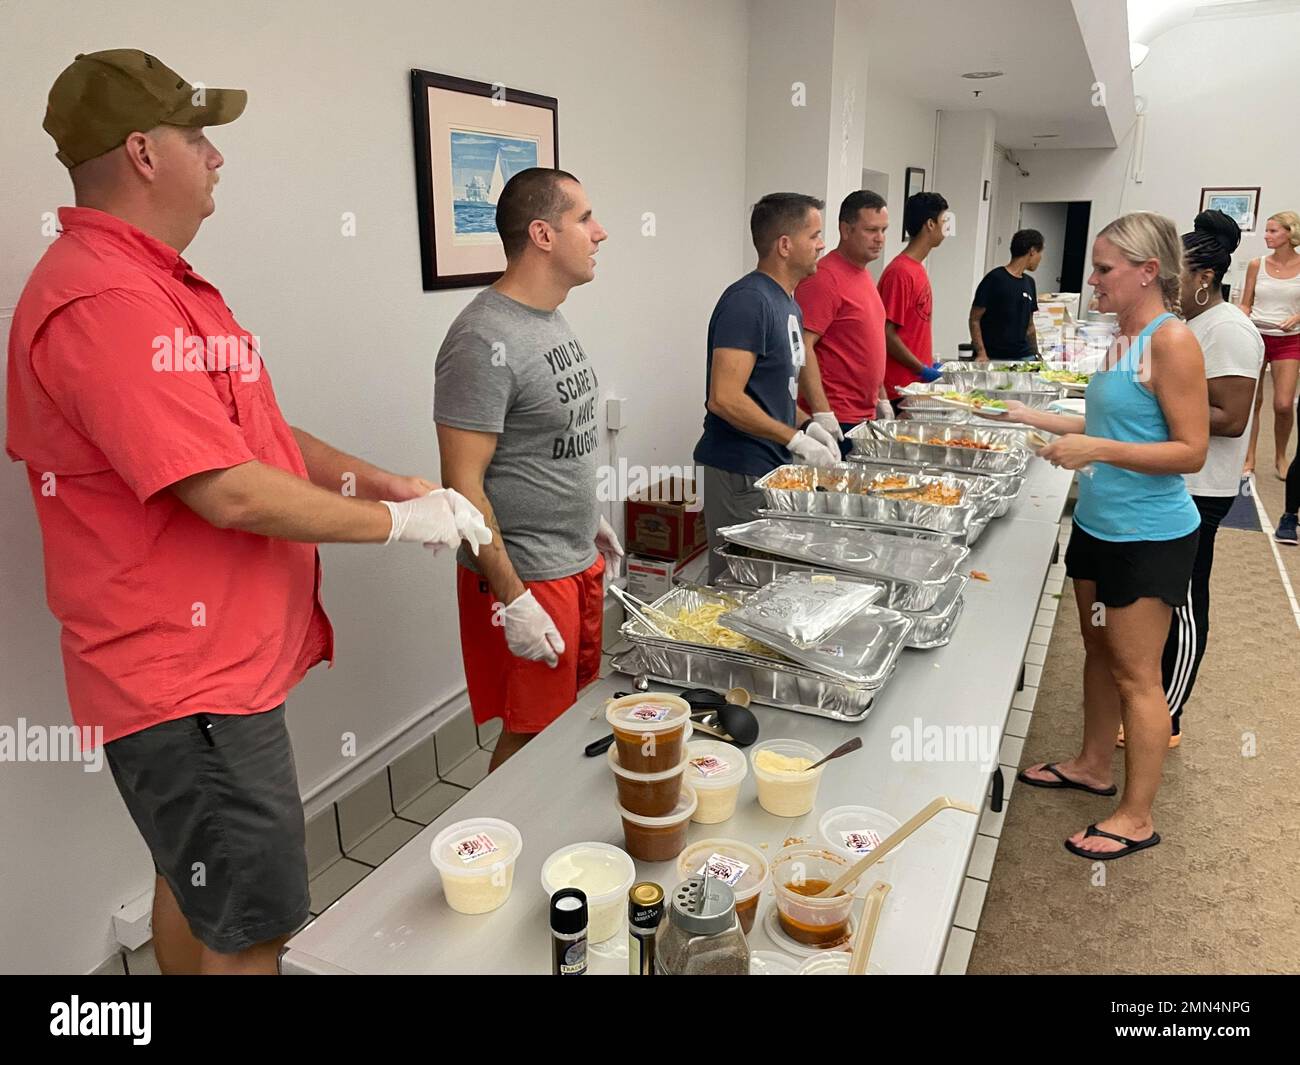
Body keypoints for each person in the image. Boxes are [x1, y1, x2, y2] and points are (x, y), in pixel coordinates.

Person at [5, 50, 490, 975]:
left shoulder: (158, 281)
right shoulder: (104, 299)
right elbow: (223, 488)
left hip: (208, 679)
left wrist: (389, 486)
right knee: (255, 927)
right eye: (198, 138)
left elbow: (254, 436)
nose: (215, 158)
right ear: (144, 154)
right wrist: (401, 529)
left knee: (196, 882)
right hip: (188, 690)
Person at [1009, 212, 1208, 861]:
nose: (1090, 279)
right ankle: (1094, 765)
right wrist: (1019, 414)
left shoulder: (1172, 340)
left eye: (1103, 268)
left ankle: (1136, 814)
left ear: (1148, 271)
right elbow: (1102, 418)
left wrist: (1097, 447)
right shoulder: (1122, 337)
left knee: (1136, 673)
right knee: (1097, 649)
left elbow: (1191, 451)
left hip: (1147, 536)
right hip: (1097, 523)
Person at [435, 168, 622, 773]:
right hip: (525, 574)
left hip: (571, 560)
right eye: (585, 219)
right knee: (530, 738)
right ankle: (497, 854)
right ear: (543, 234)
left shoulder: (547, 318)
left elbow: (549, 439)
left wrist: (584, 516)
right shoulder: (481, 338)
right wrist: (514, 599)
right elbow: (462, 487)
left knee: (565, 720)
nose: (601, 233)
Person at [1117, 210, 1260, 748]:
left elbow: (1234, 416)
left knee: (1183, 598)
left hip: (1203, 488)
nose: (1170, 285)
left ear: (1206, 277)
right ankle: (1150, 700)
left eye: (1179, 275)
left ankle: (1169, 717)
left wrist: (1159, 410)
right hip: (1174, 482)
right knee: (1155, 598)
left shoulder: (1230, 330)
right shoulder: (1191, 325)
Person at [693, 193, 842, 582]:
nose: (822, 245)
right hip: (739, 470)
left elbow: (772, 391)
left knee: (768, 581)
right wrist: (795, 439)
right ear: (785, 245)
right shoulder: (749, 301)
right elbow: (724, 399)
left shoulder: (788, 303)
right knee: (738, 582)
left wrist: (811, 424)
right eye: (815, 235)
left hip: (769, 467)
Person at [794, 189, 895, 438]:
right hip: (837, 419)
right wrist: (821, 413)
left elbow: (867, 344)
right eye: (871, 230)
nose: (880, 239)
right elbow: (802, 346)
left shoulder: (863, 274)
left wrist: (881, 397)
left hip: (864, 415)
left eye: (884, 230)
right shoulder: (824, 278)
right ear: (846, 230)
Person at [1241, 210, 1300, 479]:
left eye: (1273, 231)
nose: (1266, 236)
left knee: (1283, 404)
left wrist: (1297, 317)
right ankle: (1249, 457)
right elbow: (1246, 302)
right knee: (1253, 401)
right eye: (1266, 230)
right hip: (1256, 336)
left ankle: (1280, 456)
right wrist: (1240, 316)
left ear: (1290, 233)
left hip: (1289, 341)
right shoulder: (1257, 264)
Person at [879, 191, 949, 398]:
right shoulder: (900, 272)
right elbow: (886, 333)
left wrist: (928, 361)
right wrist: (921, 368)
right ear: (930, 224)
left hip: (916, 386)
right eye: (944, 221)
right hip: (899, 389)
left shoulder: (917, 268)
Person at [970, 228, 1043, 361]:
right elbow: (974, 319)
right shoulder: (995, 279)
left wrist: (1036, 354)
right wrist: (981, 353)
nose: (1040, 259)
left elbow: (1030, 326)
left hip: (1023, 355)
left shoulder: (1029, 282)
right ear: (1032, 251)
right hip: (995, 356)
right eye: (1040, 253)